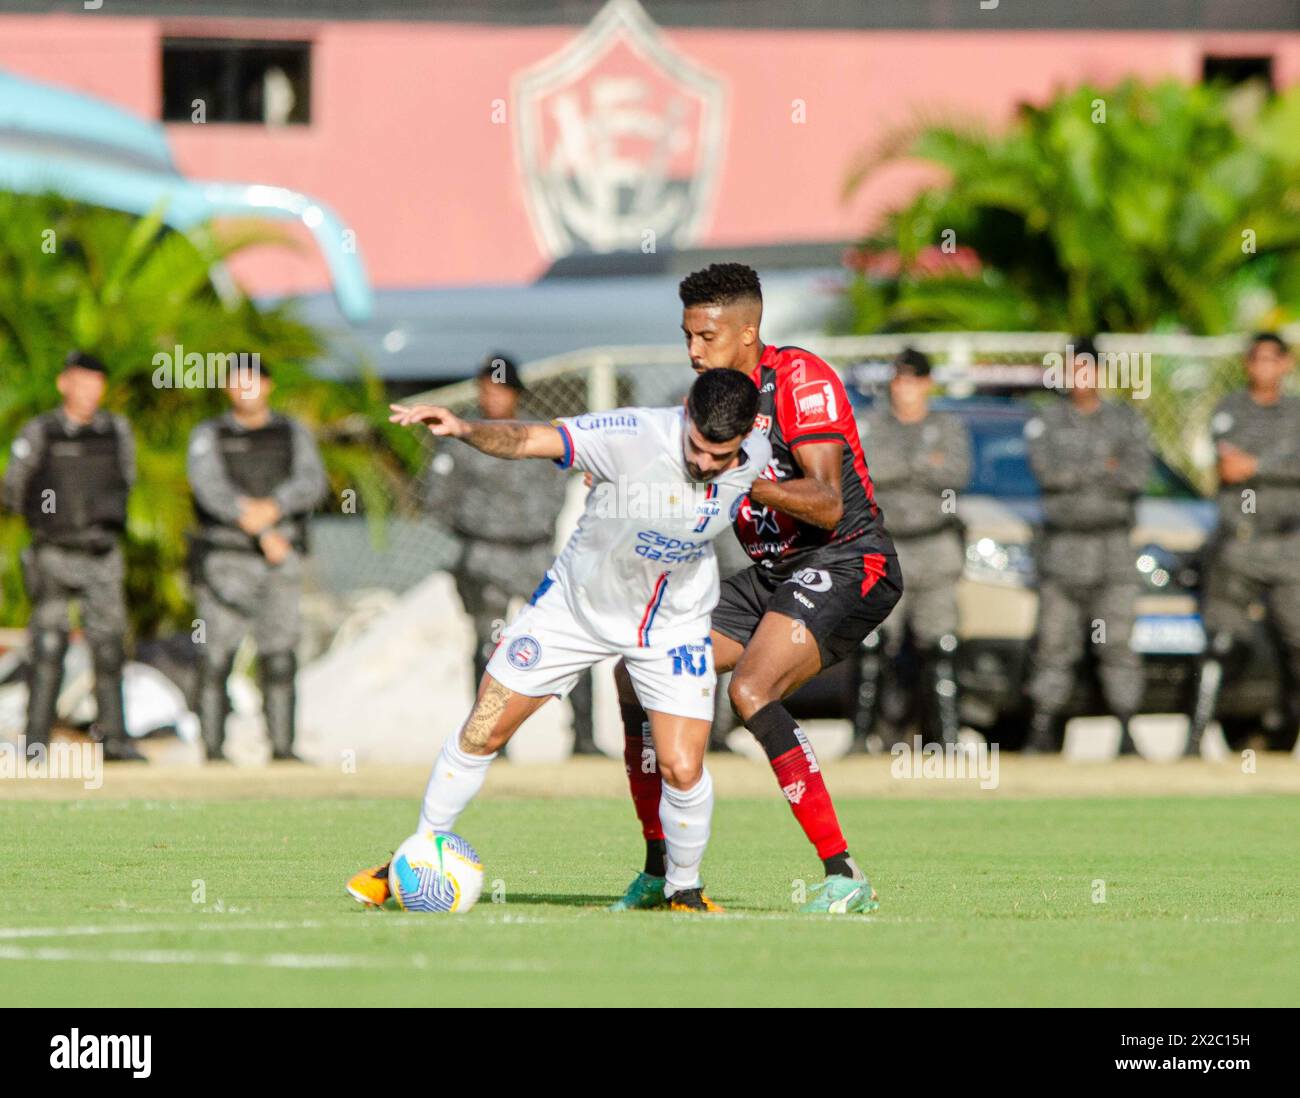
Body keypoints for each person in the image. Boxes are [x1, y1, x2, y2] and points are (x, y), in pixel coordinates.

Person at [346, 368, 771, 912]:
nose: (706, 464)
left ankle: (683, 888)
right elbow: (528, 438)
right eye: (698, 449)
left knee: (682, 767)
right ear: (686, 413)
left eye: (722, 456)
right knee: (482, 729)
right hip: (576, 608)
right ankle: (413, 854)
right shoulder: (631, 433)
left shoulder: (759, 451)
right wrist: (463, 427)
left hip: (674, 622)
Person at [610, 263, 902, 915]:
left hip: (849, 560)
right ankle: (661, 868)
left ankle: (844, 872)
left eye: (706, 337)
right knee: (635, 674)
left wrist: (742, 479)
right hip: (772, 574)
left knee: (749, 690)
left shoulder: (801, 379)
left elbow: (826, 505)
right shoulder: (707, 403)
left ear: (748, 332)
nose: (693, 351)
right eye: (687, 336)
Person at [424, 354, 596, 754]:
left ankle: (584, 738)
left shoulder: (537, 433)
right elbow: (436, 500)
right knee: (490, 645)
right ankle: (488, 738)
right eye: (486, 389)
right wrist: (483, 524)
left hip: (537, 553)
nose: (493, 397)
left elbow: (560, 484)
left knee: (572, 641)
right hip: (484, 555)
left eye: (500, 389)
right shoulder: (463, 437)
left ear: (516, 392)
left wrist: (532, 521)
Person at [3, 351, 143, 762]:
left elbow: (127, 481)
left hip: (102, 553)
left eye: (96, 382)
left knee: (109, 647)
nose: (89, 392)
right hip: (53, 553)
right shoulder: (41, 431)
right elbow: (14, 488)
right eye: (81, 382)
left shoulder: (116, 431)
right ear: (64, 384)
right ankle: (35, 744)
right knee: (48, 646)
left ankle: (115, 741)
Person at [186, 360, 328, 762]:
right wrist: (256, 525)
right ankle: (213, 752)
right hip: (225, 561)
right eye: (235, 382)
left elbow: (311, 482)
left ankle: (283, 750)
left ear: (268, 385)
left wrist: (274, 508)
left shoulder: (292, 432)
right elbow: (208, 487)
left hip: (280, 561)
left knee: (280, 656)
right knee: (216, 656)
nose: (243, 389)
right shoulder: (209, 434)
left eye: (251, 381)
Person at [1022, 338, 1152, 756]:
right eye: (1072, 369)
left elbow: (1135, 474)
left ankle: (1128, 731)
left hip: (1113, 552)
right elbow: (1047, 472)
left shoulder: (1126, 421)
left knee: (1117, 644)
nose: (1080, 378)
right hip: (1063, 552)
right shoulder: (1047, 421)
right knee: (1054, 644)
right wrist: (1103, 466)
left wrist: (1078, 471)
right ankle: (1042, 730)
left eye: (1087, 368)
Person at [1188, 333, 1300, 755]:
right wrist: (1277, 467)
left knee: (1297, 641)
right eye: (1257, 360)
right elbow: (1228, 466)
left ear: (1286, 364)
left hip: (1291, 546)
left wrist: (1259, 465)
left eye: (1273, 360)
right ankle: (1197, 737)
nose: (1264, 368)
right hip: (1241, 544)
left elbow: (1246, 466)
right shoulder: (1230, 409)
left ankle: (1285, 733)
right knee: (1222, 641)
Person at [856, 348, 971, 749]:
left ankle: (946, 737)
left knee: (940, 644)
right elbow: (866, 470)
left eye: (911, 379)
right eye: (897, 379)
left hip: (934, 548)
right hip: (885, 548)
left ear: (926, 383)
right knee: (873, 644)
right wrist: (923, 464)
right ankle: (864, 737)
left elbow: (955, 472)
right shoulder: (872, 425)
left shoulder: (948, 426)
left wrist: (901, 467)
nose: (903, 388)